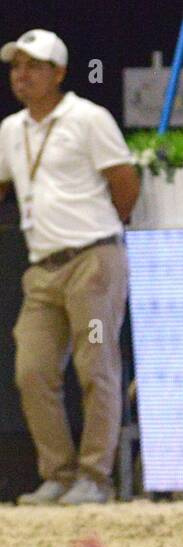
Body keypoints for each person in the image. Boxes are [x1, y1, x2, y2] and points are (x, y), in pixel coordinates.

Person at [0, 29, 140, 504]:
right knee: (31, 371)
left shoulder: (87, 118)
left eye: (33, 66)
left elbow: (125, 183)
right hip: (41, 268)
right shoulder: (10, 129)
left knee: (96, 369)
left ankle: (94, 478)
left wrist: (103, 236)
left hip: (92, 260)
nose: (21, 75)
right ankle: (57, 473)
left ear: (58, 73)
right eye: (16, 66)